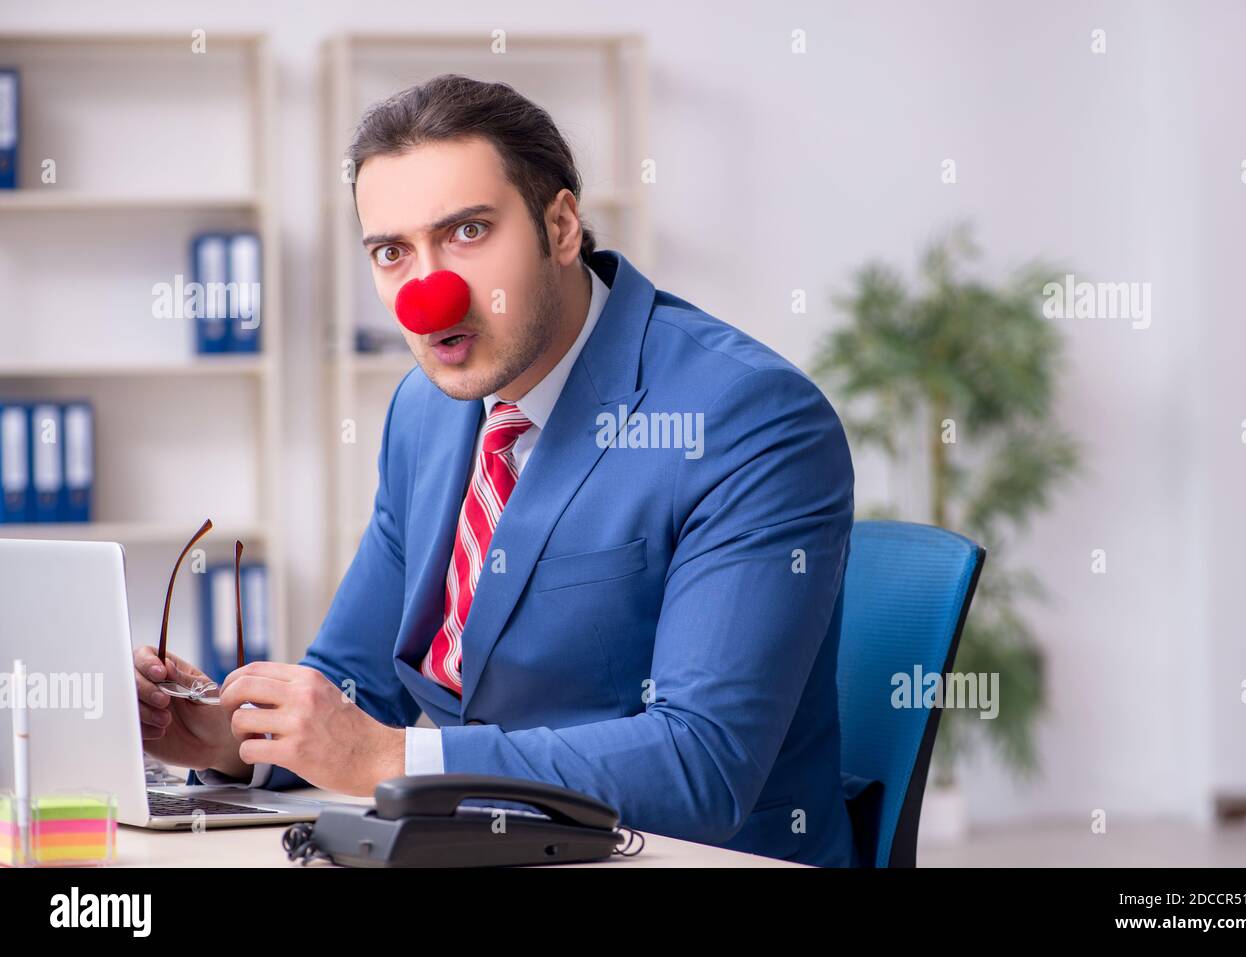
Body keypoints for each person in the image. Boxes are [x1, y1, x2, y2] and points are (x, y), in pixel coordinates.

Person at [135, 74, 858, 867]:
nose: (429, 295)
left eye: (469, 231)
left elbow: (702, 764)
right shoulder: (426, 408)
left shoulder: (747, 417)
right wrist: (232, 735)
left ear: (561, 225)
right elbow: (353, 684)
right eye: (392, 252)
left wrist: (392, 760)